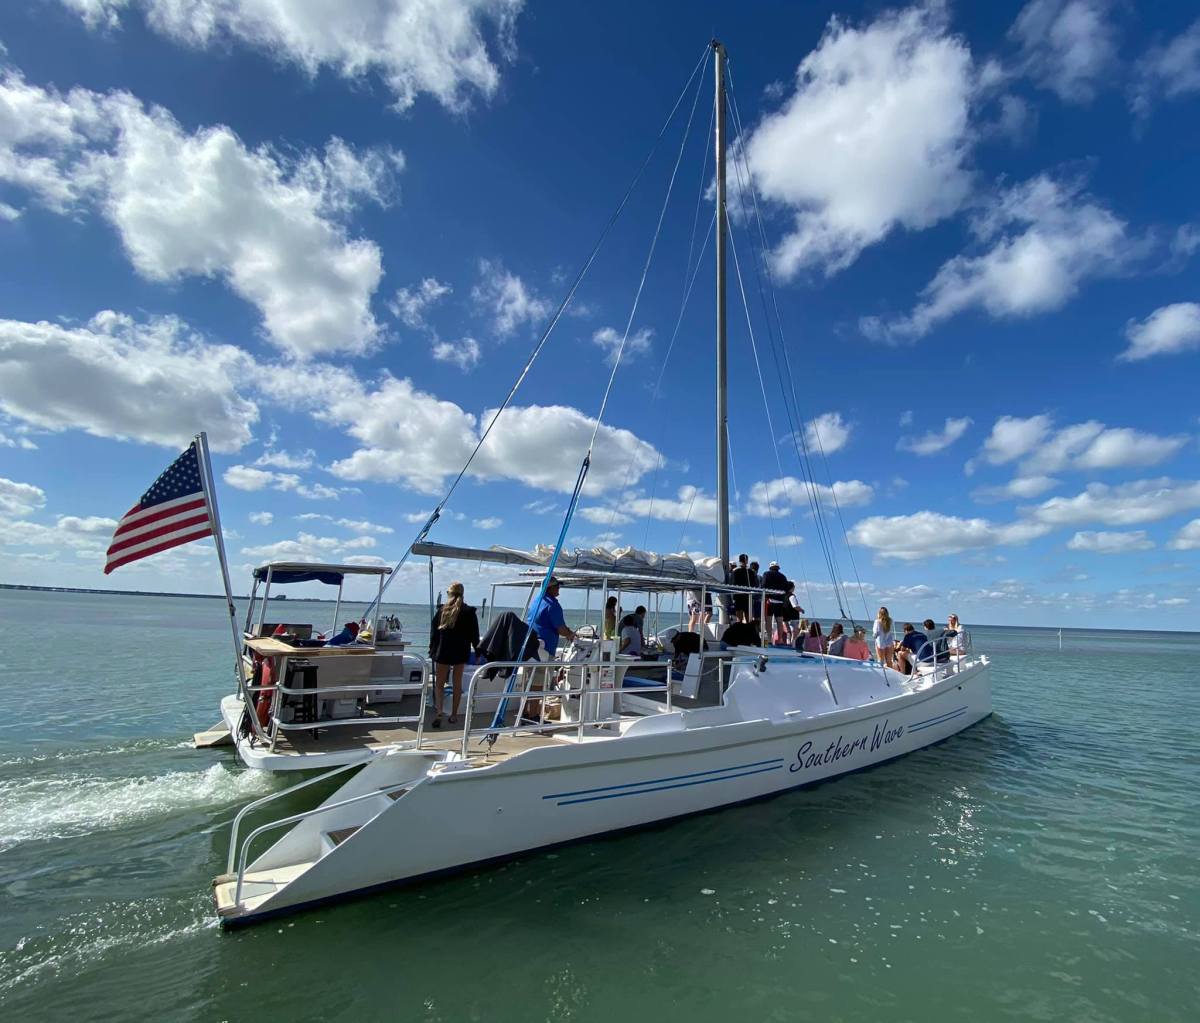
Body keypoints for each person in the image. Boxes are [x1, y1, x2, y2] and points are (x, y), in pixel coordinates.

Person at [427, 581, 481, 726]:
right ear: (462, 594)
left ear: (449, 593)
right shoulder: (469, 612)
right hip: (460, 651)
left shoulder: (442, 610)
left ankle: (439, 711)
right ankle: (454, 715)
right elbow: (474, 635)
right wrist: (477, 651)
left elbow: (434, 633)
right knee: (457, 684)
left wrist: (432, 648)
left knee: (439, 684)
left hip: (443, 650)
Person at [530, 577, 576, 656]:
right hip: (545, 649)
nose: (559, 588)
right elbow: (561, 630)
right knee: (545, 668)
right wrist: (570, 634)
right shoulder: (552, 605)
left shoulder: (536, 601)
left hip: (531, 646)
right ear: (550, 588)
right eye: (557, 586)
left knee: (529, 668)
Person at [731, 553, 751, 621]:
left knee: (739, 618)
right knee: (748, 617)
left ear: (739, 561)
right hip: (748, 596)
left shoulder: (735, 571)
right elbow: (754, 584)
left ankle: (740, 630)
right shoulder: (750, 572)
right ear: (747, 561)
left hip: (738, 595)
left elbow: (733, 584)